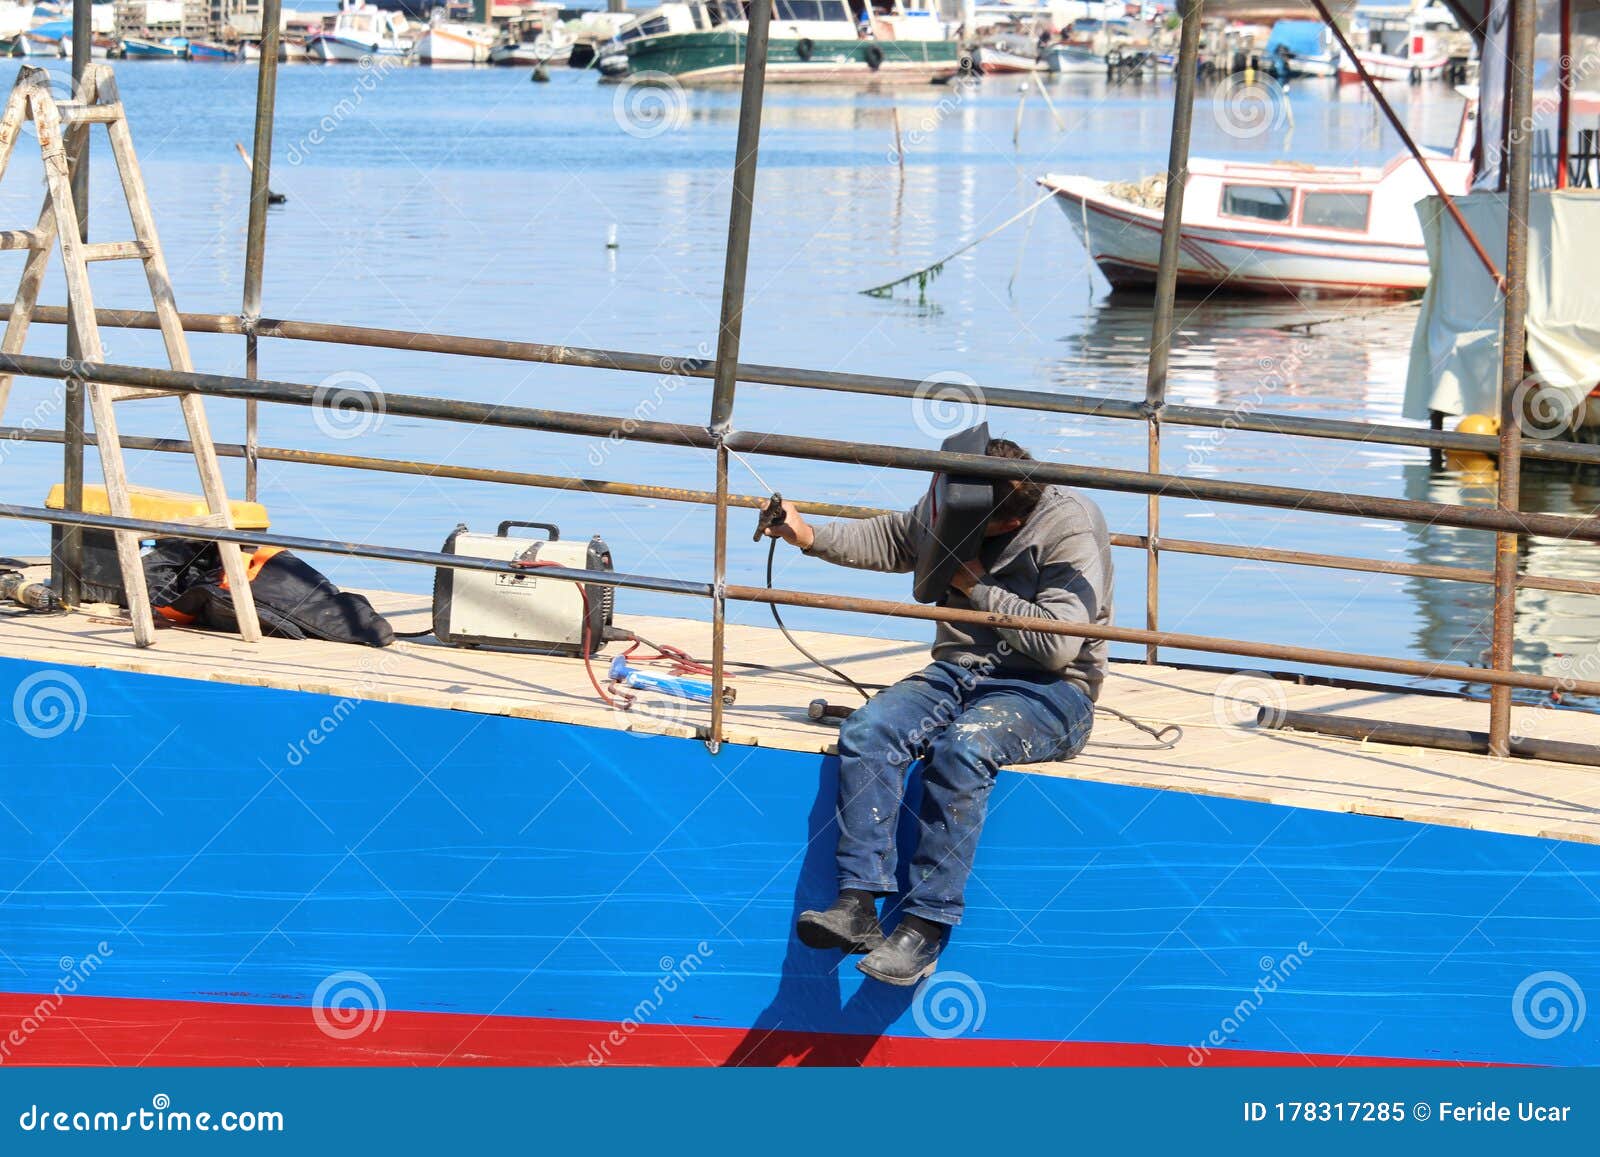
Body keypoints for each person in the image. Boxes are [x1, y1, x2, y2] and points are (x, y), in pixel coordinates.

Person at [763, 438, 1113, 985]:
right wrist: (805, 534)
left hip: (1049, 690)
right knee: (870, 729)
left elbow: (1058, 647)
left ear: (1004, 522)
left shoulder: (1069, 525)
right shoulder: (960, 501)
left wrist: (973, 583)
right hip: (960, 673)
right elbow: (897, 538)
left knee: (963, 748)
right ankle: (858, 902)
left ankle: (925, 927)